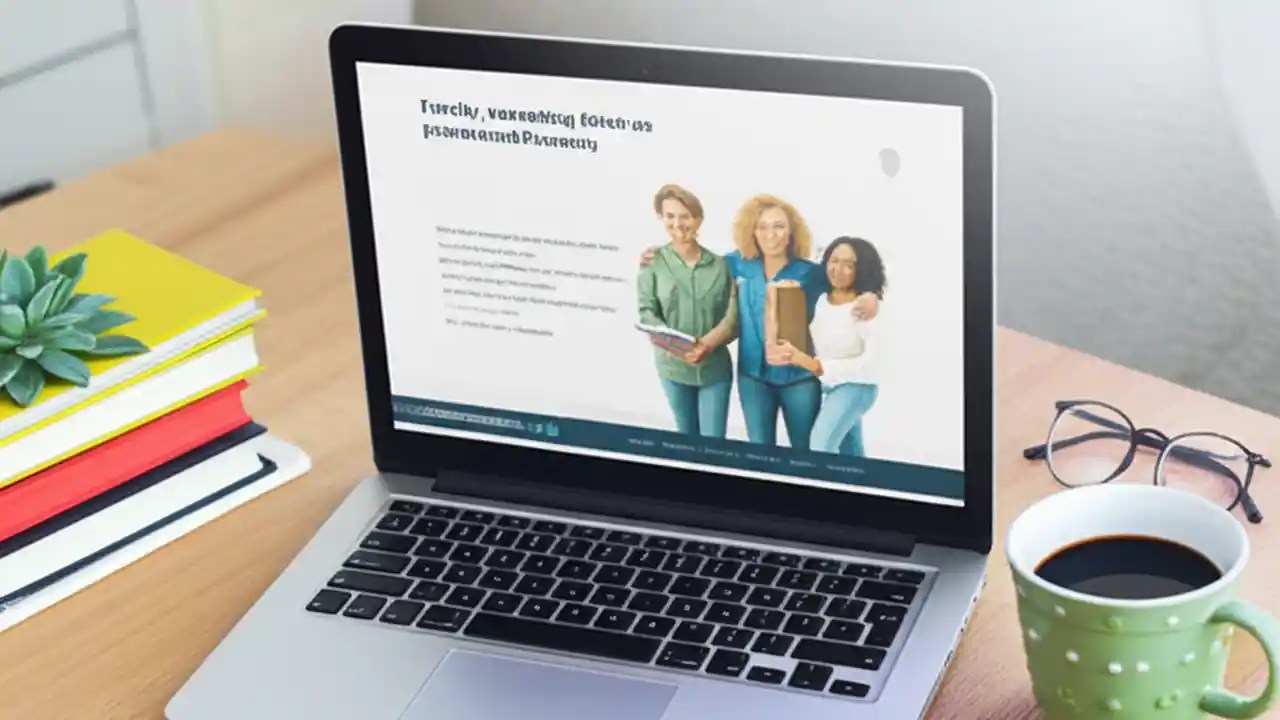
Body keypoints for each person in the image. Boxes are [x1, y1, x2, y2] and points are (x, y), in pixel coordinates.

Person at [767, 236, 886, 455]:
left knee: (821, 446)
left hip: (857, 386)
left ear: (862, 270)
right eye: (834, 261)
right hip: (831, 386)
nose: (838, 270)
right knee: (851, 452)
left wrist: (816, 366)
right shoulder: (822, 299)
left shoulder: (864, 307)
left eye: (848, 265)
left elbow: (871, 364)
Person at [637, 184, 738, 438]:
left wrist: (707, 344)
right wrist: (678, 348)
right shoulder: (653, 263)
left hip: (714, 370)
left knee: (714, 445)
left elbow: (733, 317)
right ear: (661, 218)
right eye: (670, 216)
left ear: (698, 218)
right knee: (686, 441)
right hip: (672, 370)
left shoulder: (720, 266)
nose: (677, 223)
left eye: (685, 216)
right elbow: (647, 312)